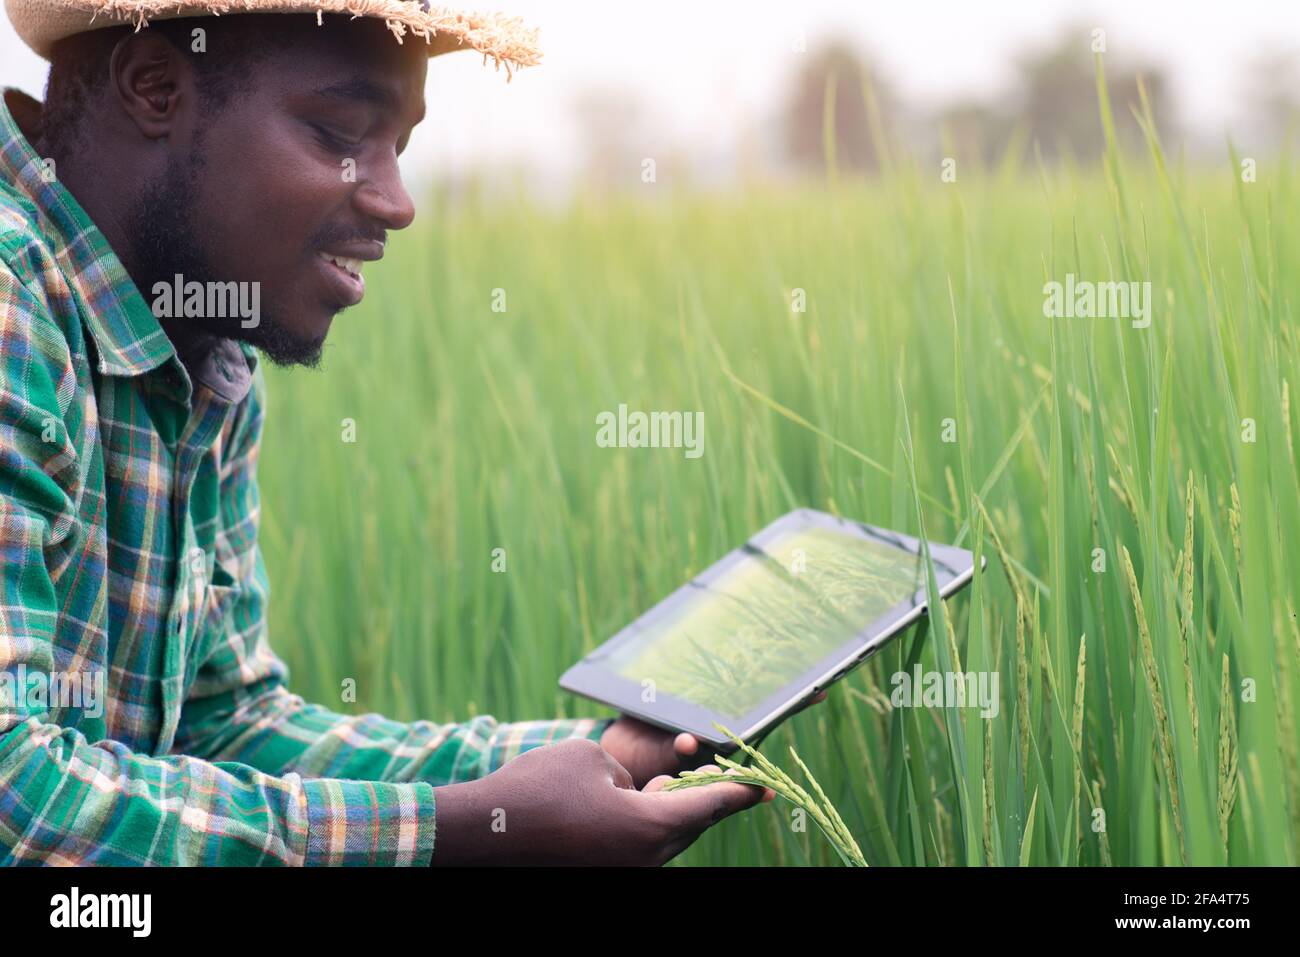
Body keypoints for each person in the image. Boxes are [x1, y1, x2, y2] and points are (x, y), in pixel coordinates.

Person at [0, 1, 784, 866]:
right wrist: (461, 835)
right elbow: (14, 794)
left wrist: (599, 756)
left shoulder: (204, 349)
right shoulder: (12, 307)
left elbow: (221, 725)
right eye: (341, 133)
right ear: (155, 87)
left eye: (399, 148)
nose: (395, 201)